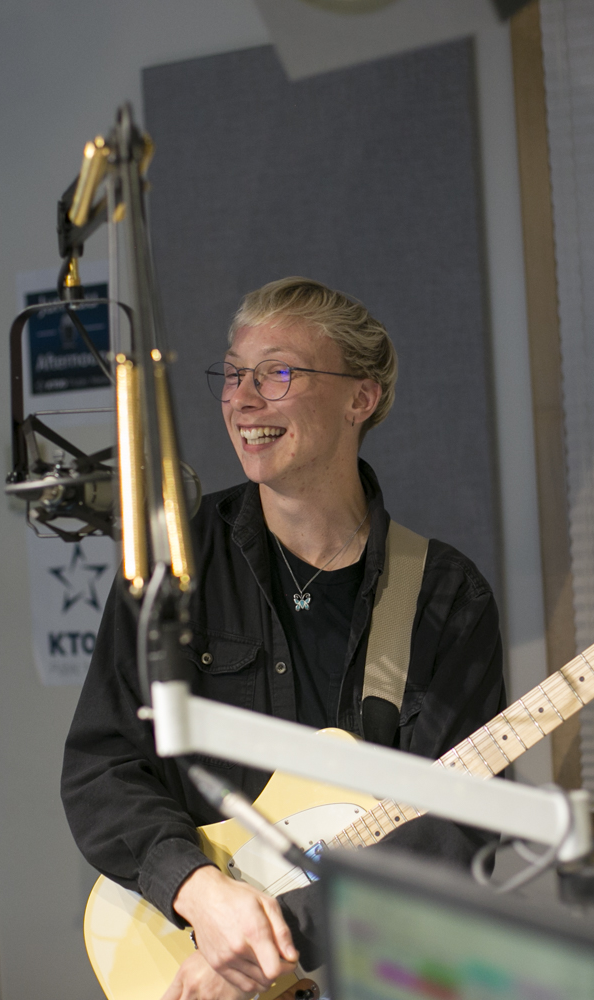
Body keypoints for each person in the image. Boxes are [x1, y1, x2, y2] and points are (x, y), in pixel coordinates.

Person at [62, 278, 505, 1000]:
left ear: (360, 399)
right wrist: (197, 888)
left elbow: (458, 826)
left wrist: (279, 936)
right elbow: (101, 765)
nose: (242, 399)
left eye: (277, 374)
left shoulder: (445, 596)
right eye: (234, 374)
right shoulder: (175, 561)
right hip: (187, 950)